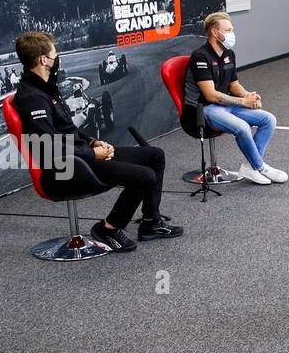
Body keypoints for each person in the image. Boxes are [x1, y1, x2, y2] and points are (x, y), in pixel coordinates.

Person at [12, 31, 182, 251]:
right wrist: (92, 154)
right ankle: (109, 228)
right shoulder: (33, 98)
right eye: (54, 54)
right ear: (43, 60)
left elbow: (69, 128)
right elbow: (49, 148)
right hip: (66, 167)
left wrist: (93, 142)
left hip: (82, 154)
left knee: (155, 156)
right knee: (145, 176)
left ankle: (151, 222)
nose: (57, 58)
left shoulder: (47, 89)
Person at [184, 11, 285, 185]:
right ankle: (260, 167)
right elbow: (210, 95)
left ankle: (249, 167)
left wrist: (248, 96)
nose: (232, 34)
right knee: (242, 127)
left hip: (226, 105)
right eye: (228, 30)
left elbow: (234, 85)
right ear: (215, 32)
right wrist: (242, 102)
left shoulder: (229, 54)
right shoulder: (200, 56)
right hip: (204, 108)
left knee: (269, 119)